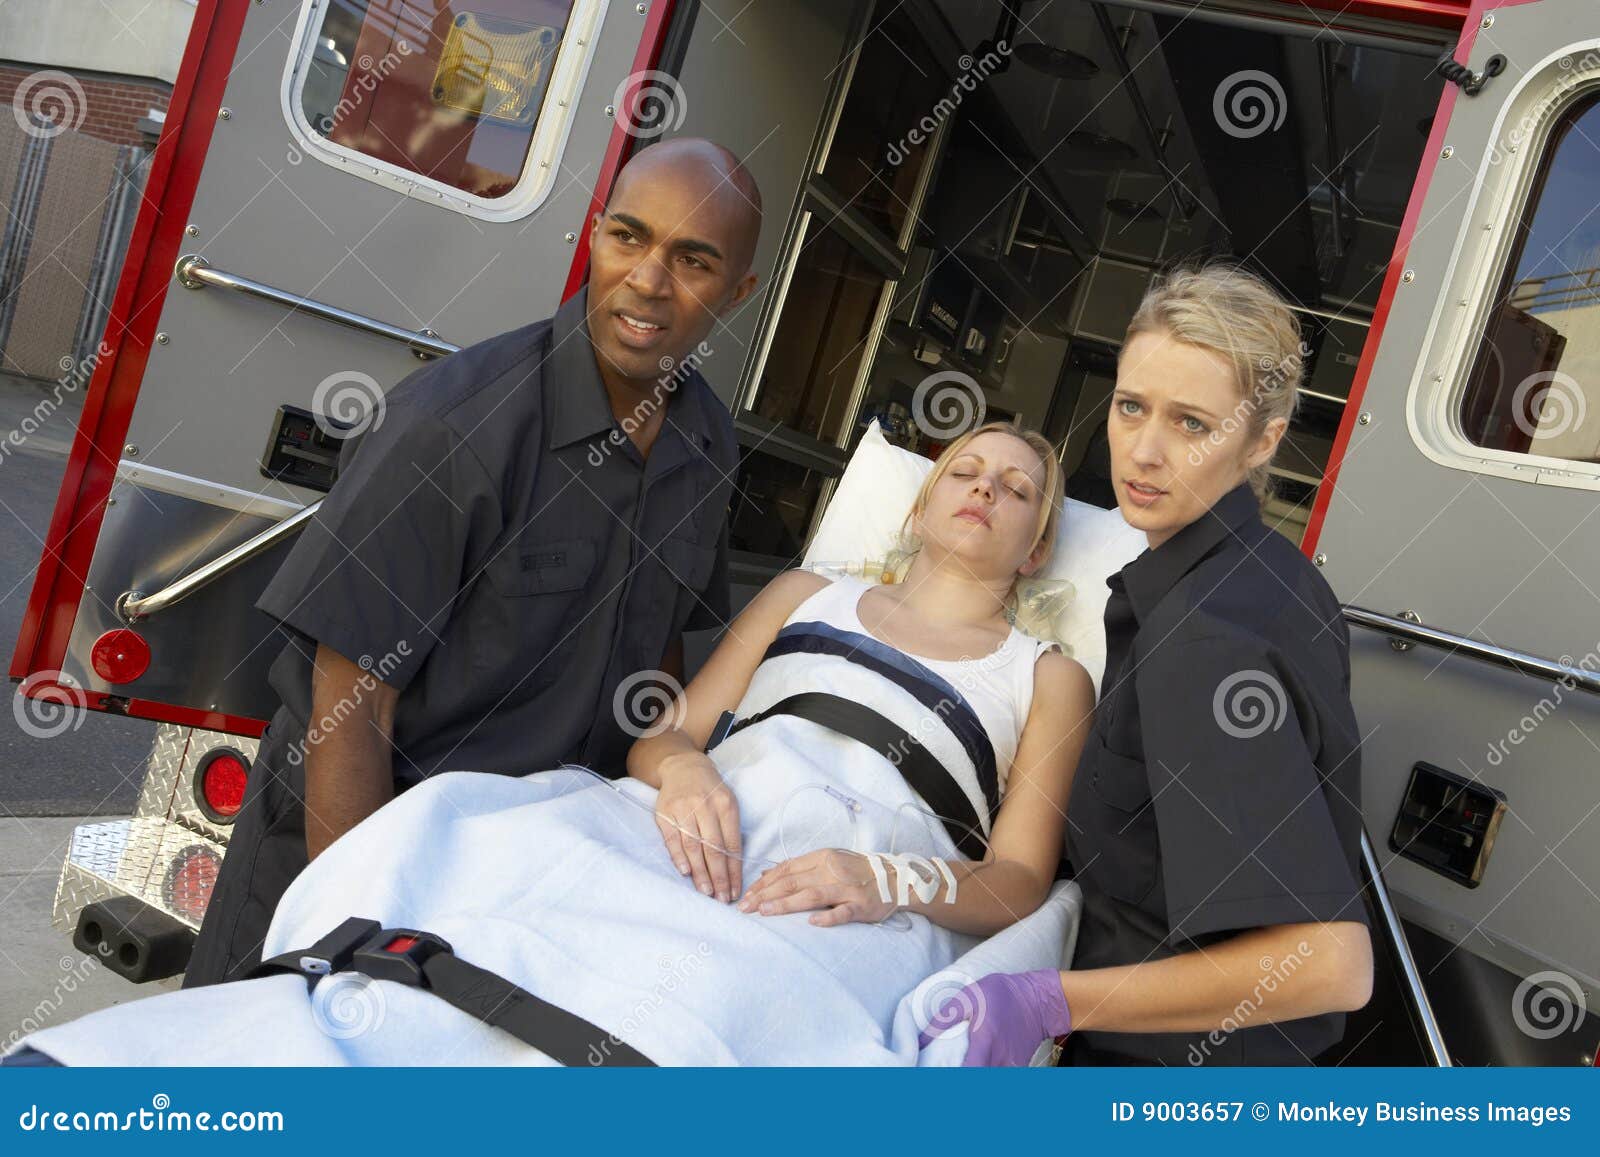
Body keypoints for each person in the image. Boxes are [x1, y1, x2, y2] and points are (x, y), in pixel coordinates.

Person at [7, 424, 1097, 1067]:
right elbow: (668, 734)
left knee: (726, 1004)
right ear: (921, 503)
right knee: (489, 892)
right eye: (967, 470)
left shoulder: (1045, 675)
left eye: (1015, 490)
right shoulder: (807, 592)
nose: (985, 491)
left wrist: (886, 880)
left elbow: (1016, 878)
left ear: (1038, 543)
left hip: (864, 887)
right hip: (706, 825)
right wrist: (684, 771)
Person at [184, 137, 765, 988]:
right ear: (594, 235)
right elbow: (353, 703)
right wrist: (361, 943)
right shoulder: (453, 426)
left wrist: (670, 764)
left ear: (738, 292)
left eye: (693, 260)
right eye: (628, 237)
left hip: (522, 896)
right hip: (345, 856)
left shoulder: (708, 447)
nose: (647, 279)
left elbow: (661, 651)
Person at [927, 263, 1374, 1066]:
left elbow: (1330, 963)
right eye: (1131, 406)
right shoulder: (1275, 579)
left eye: (1192, 423)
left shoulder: (1204, 639)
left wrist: (1050, 999)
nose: (1144, 450)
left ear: (1262, 440)